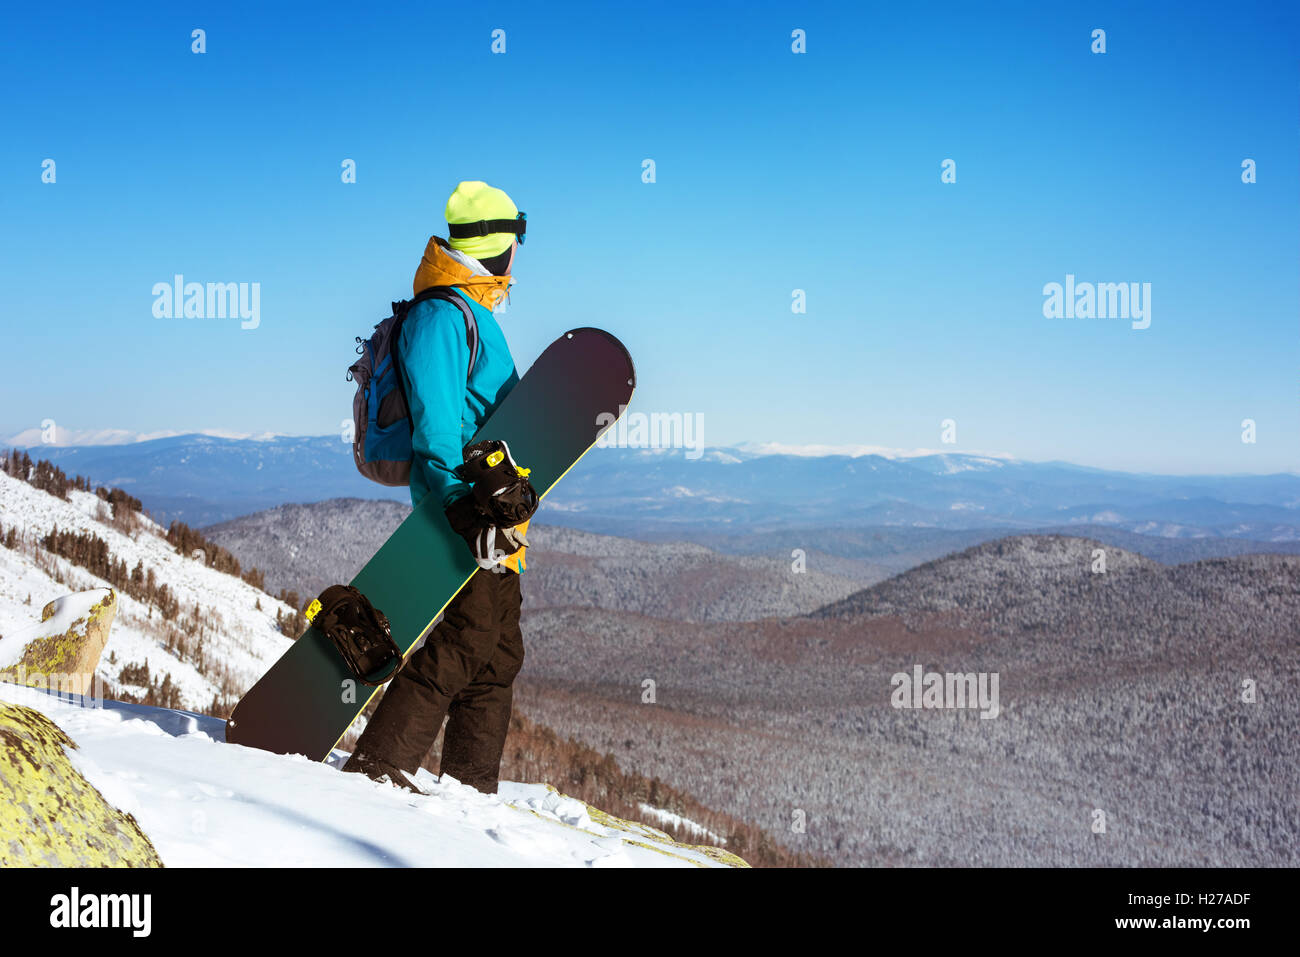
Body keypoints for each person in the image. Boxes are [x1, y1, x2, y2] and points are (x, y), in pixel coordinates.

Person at [343, 181, 529, 795]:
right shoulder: (440, 317)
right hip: (464, 516)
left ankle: (471, 793)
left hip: (494, 519)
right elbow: (437, 432)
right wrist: (460, 510)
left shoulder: (473, 315)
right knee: (462, 640)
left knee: (497, 654)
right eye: (518, 239)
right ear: (501, 245)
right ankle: (375, 768)